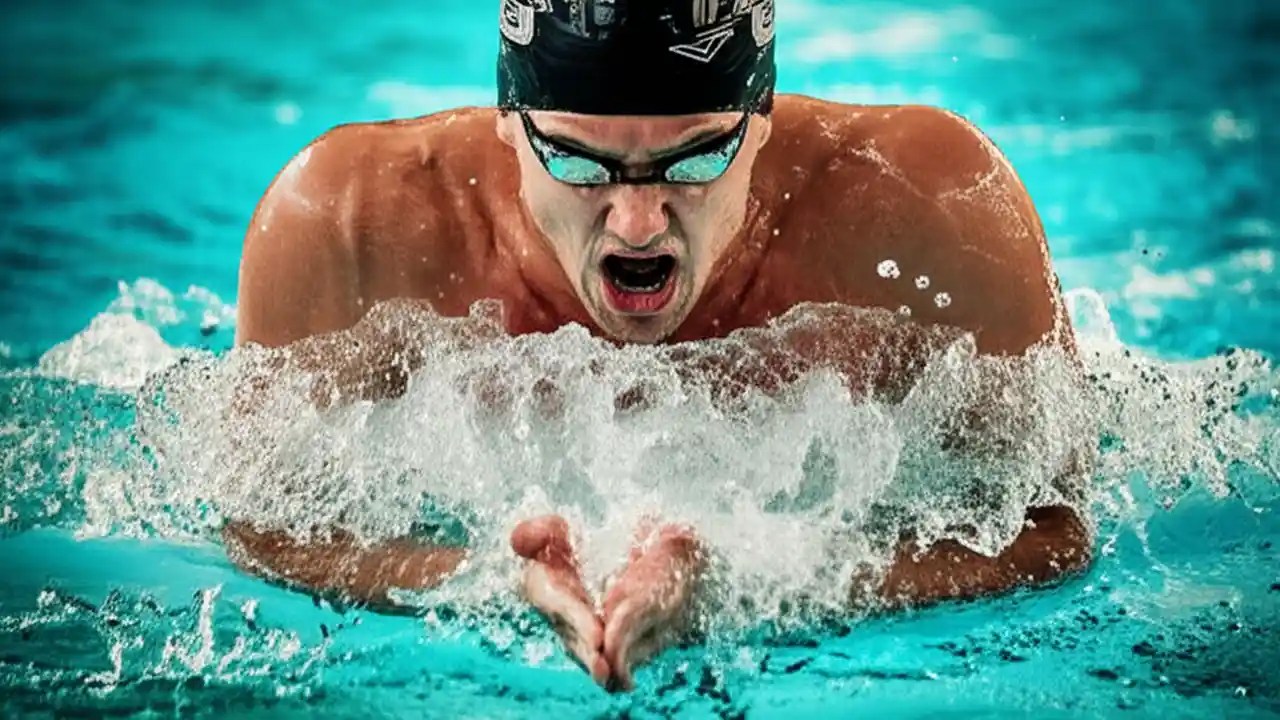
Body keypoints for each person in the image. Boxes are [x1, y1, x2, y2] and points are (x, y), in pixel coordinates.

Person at [224, 0, 1092, 692]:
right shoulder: (349, 228)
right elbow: (260, 525)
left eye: (695, 158)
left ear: (760, 119)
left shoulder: (933, 210)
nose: (638, 223)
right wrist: (482, 577)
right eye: (576, 162)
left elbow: (1055, 528)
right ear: (508, 123)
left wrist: (758, 580)